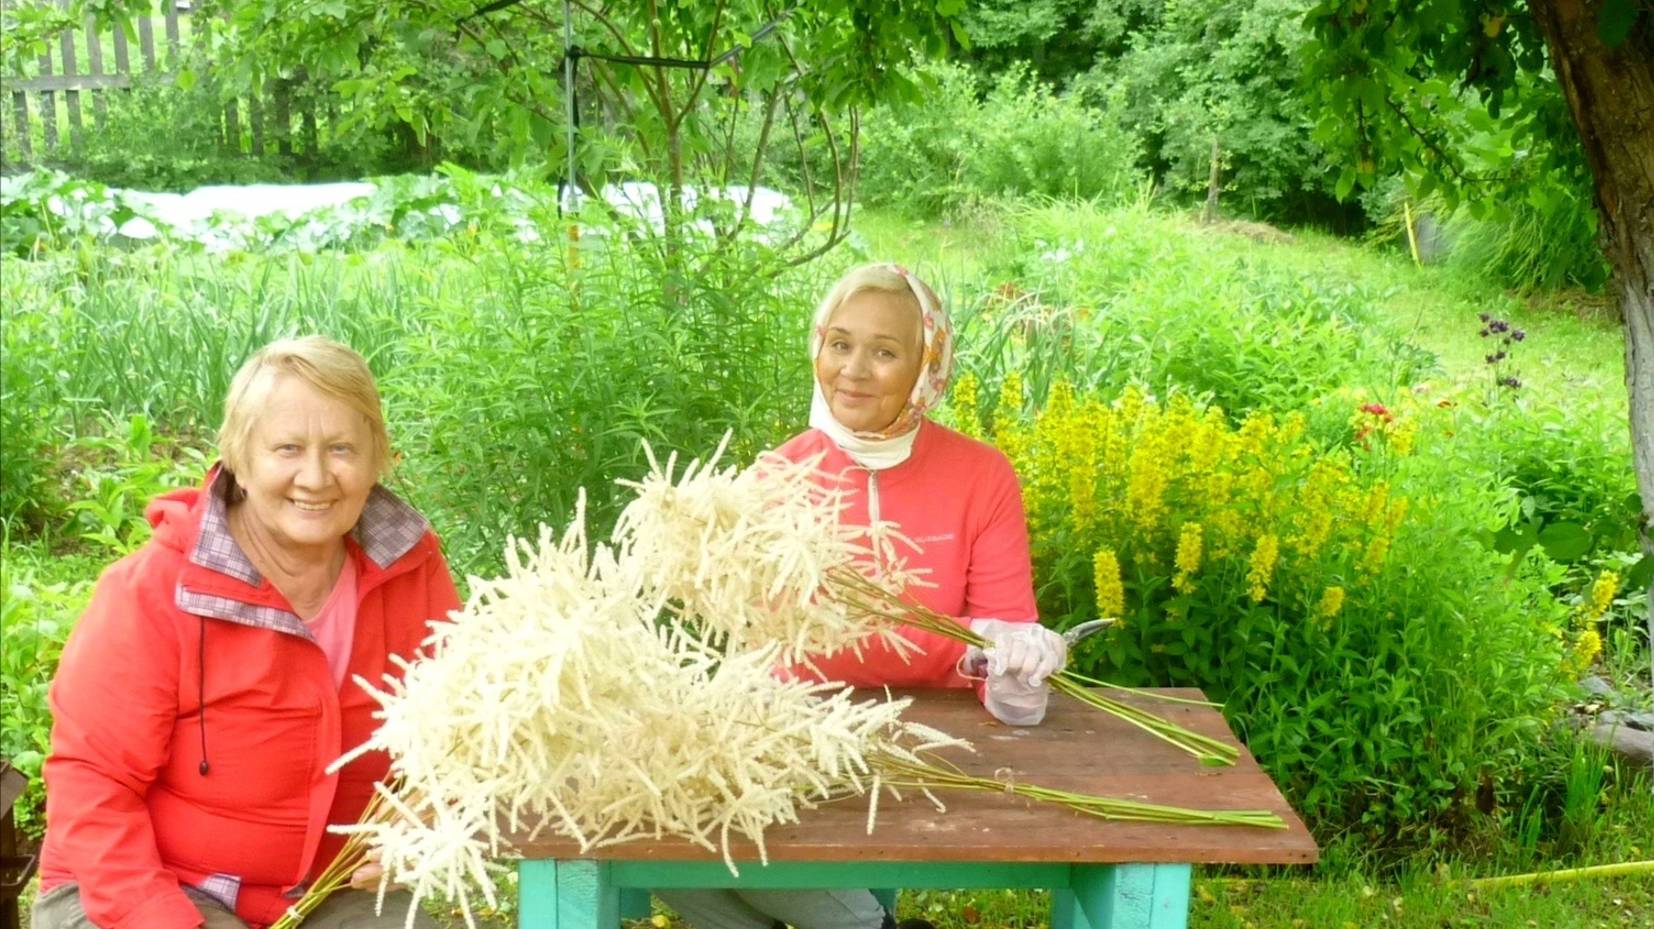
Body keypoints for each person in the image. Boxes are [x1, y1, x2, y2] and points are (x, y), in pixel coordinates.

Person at [657, 263, 1069, 929]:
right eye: (840, 343)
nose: (853, 369)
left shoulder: (981, 476)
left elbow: (1007, 668)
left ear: (927, 366)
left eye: (884, 351)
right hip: (796, 741)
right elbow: (768, 650)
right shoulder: (774, 477)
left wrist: (1020, 663)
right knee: (669, 832)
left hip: (936, 749)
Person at [33, 337, 463, 929]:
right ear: (238, 455)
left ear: (377, 456)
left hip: (324, 894)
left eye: (342, 448)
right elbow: (91, 783)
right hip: (138, 884)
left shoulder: (409, 570)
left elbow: (462, 738)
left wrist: (433, 809)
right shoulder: (154, 590)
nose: (315, 477)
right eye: (287, 448)